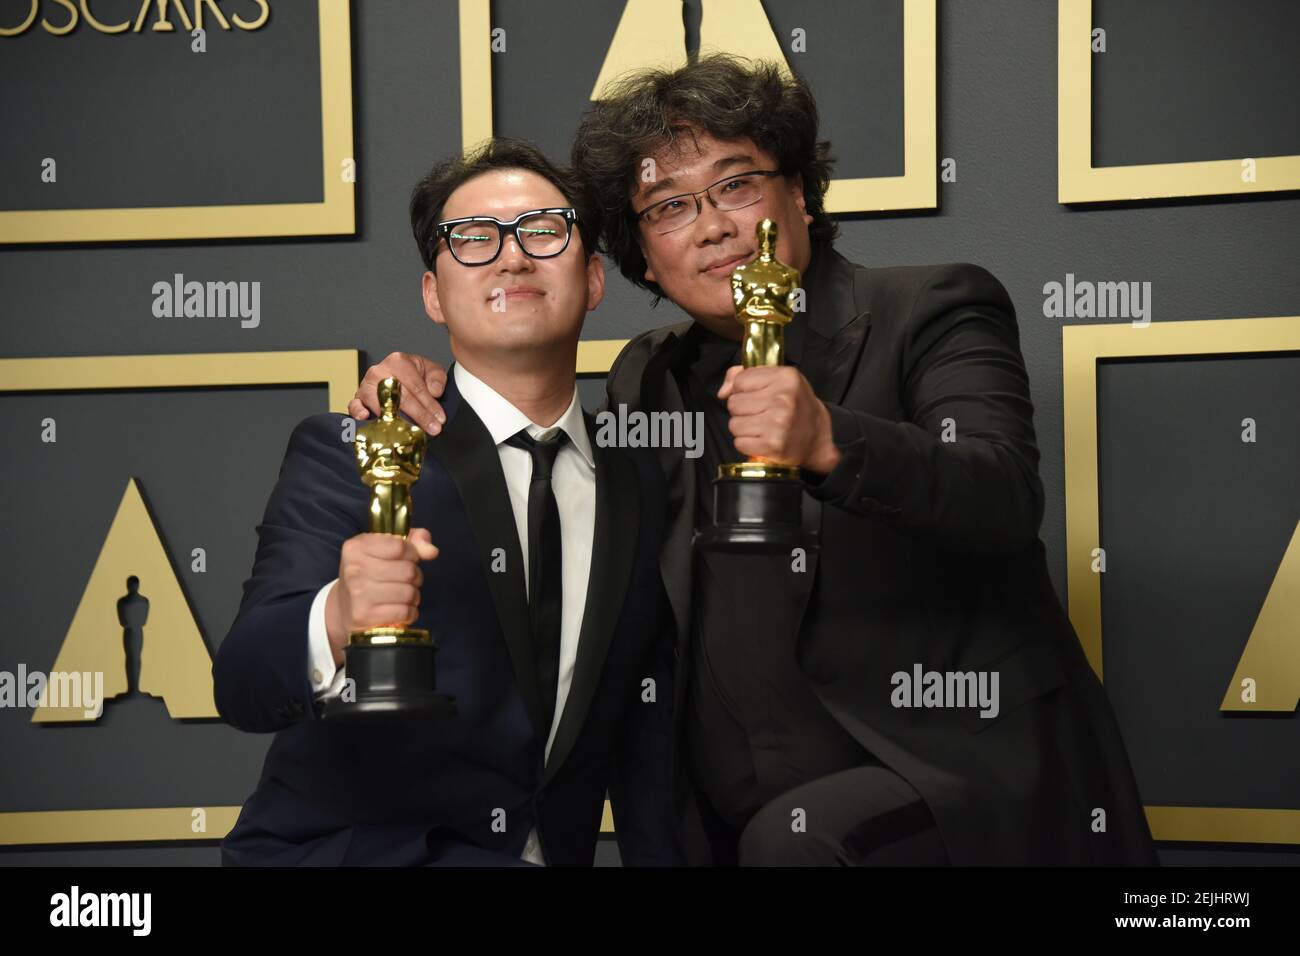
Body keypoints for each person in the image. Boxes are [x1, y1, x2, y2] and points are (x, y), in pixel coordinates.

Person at [351, 56, 1158, 866]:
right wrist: (426, 390)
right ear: (640, 255)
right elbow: (555, 476)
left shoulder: (931, 307)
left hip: (945, 777)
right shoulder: (648, 375)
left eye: (735, 186)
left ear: (799, 194)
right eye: (668, 206)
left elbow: (1003, 491)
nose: (711, 226)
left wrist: (829, 441)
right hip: (722, 803)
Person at [214, 139, 680, 867]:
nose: (512, 257)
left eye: (544, 230)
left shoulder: (644, 487)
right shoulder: (354, 450)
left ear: (593, 279)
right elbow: (242, 681)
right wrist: (337, 617)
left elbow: (647, 748)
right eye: (473, 239)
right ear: (433, 293)